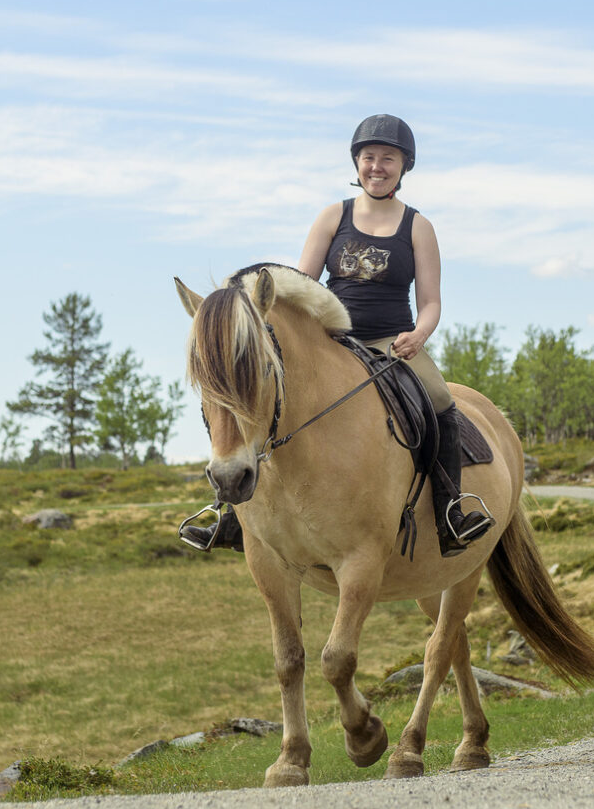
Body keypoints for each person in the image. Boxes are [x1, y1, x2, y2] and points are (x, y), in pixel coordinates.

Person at [180, 115, 495, 553]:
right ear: (357, 163)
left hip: (391, 343)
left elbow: (431, 302)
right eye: (369, 158)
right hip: (330, 339)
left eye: (388, 158)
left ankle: (450, 511)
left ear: (405, 167)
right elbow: (301, 285)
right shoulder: (333, 216)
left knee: (440, 401)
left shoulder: (418, 227)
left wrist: (418, 335)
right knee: (251, 390)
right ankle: (229, 513)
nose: (377, 167)